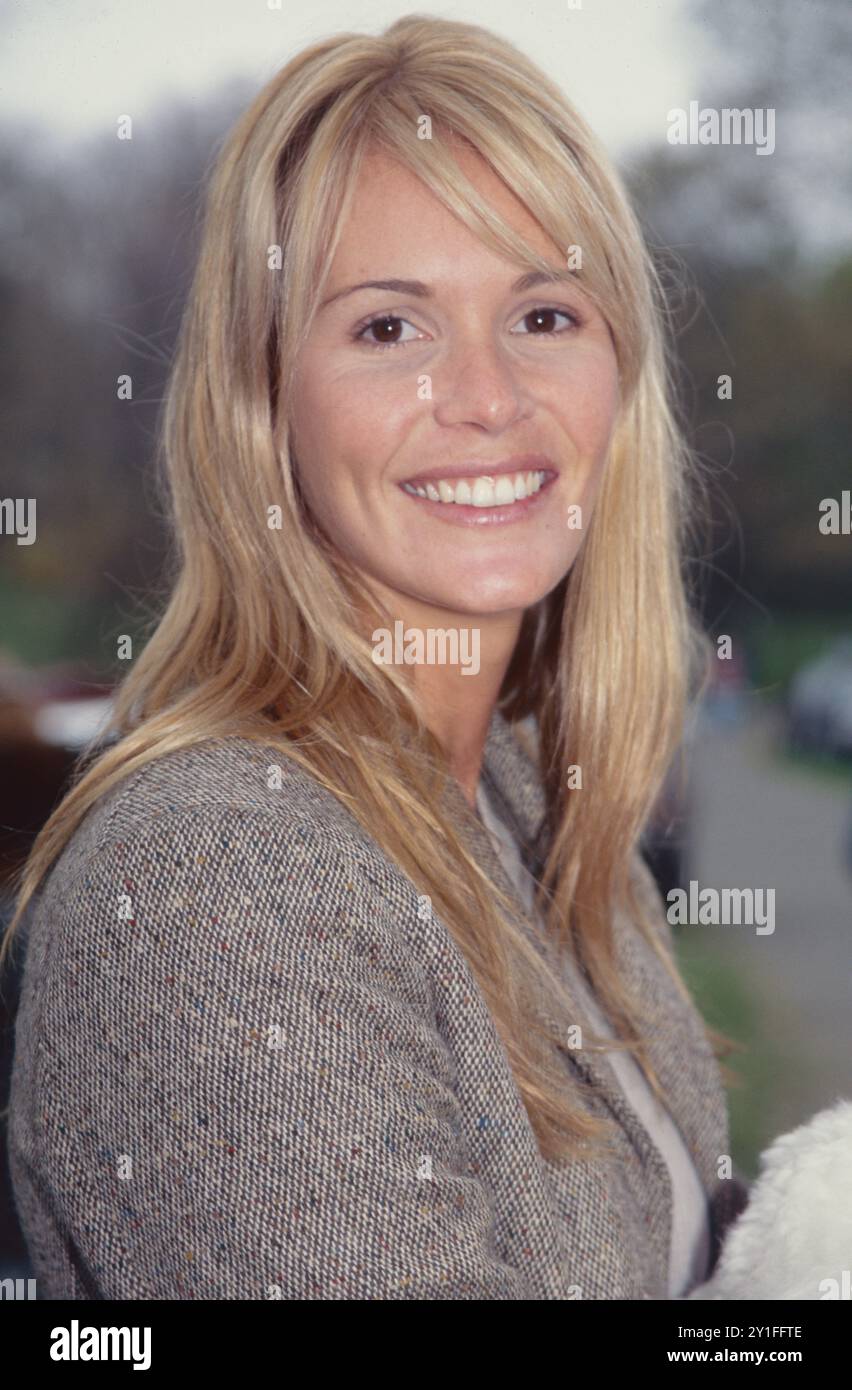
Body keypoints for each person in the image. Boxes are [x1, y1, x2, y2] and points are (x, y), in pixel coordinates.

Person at [1, 15, 748, 1301]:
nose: (489, 396)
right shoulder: (213, 880)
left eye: (545, 311)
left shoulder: (538, 812)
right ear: (262, 397)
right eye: (390, 329)